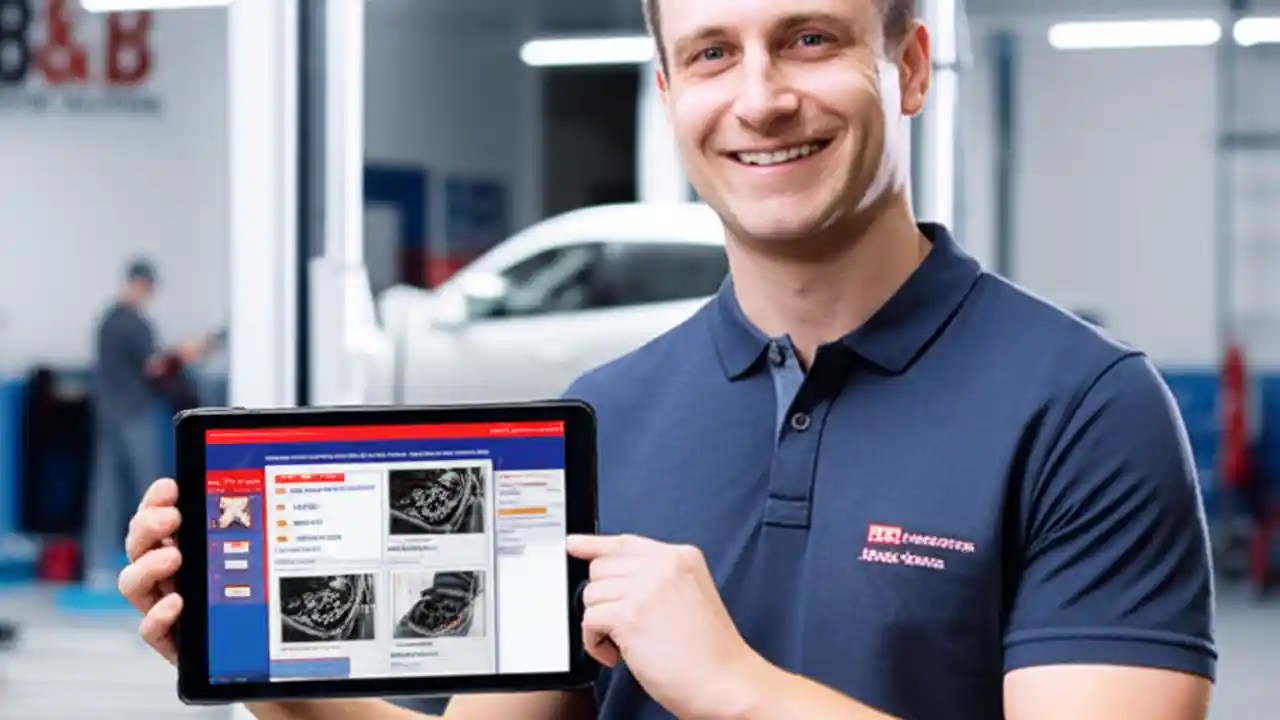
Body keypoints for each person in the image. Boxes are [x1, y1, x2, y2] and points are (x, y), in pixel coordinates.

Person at [118, 0, 1217, 718]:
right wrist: (273, 679)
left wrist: (733, 689)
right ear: (669, 95)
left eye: (809, 39)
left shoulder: (1083, 409)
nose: (758, 98)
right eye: (709, 54)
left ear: (911, 67)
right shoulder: (598, 417)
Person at [82, 259, 207, 589]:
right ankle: (155, 567)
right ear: (140, 284)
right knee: (150, 490)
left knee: (105, 490)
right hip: (135, 413)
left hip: (107, 413)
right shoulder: (134, 324)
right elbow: (156, 368)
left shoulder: (107, 320)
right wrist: (184, 354)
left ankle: (96, 568)